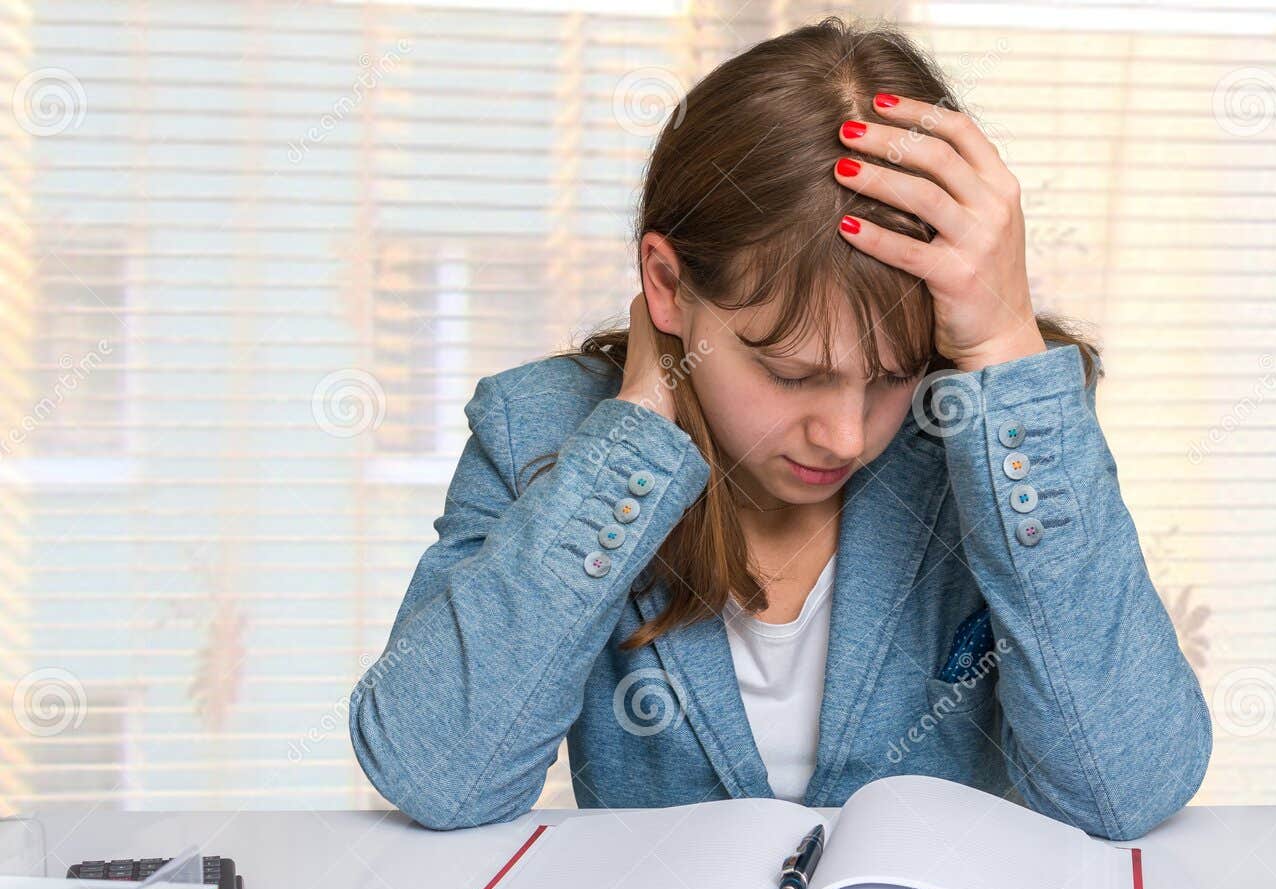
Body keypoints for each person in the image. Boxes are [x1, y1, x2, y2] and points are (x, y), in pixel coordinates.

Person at [349, 16, 1211, 838]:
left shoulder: (1001, 427)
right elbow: (436, 773)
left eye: (891, 376)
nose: (842, 434)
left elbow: (1125, 788)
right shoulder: (539, 430)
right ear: (666, 282)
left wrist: (1003, 347)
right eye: (791, 372)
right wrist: (641, 429)